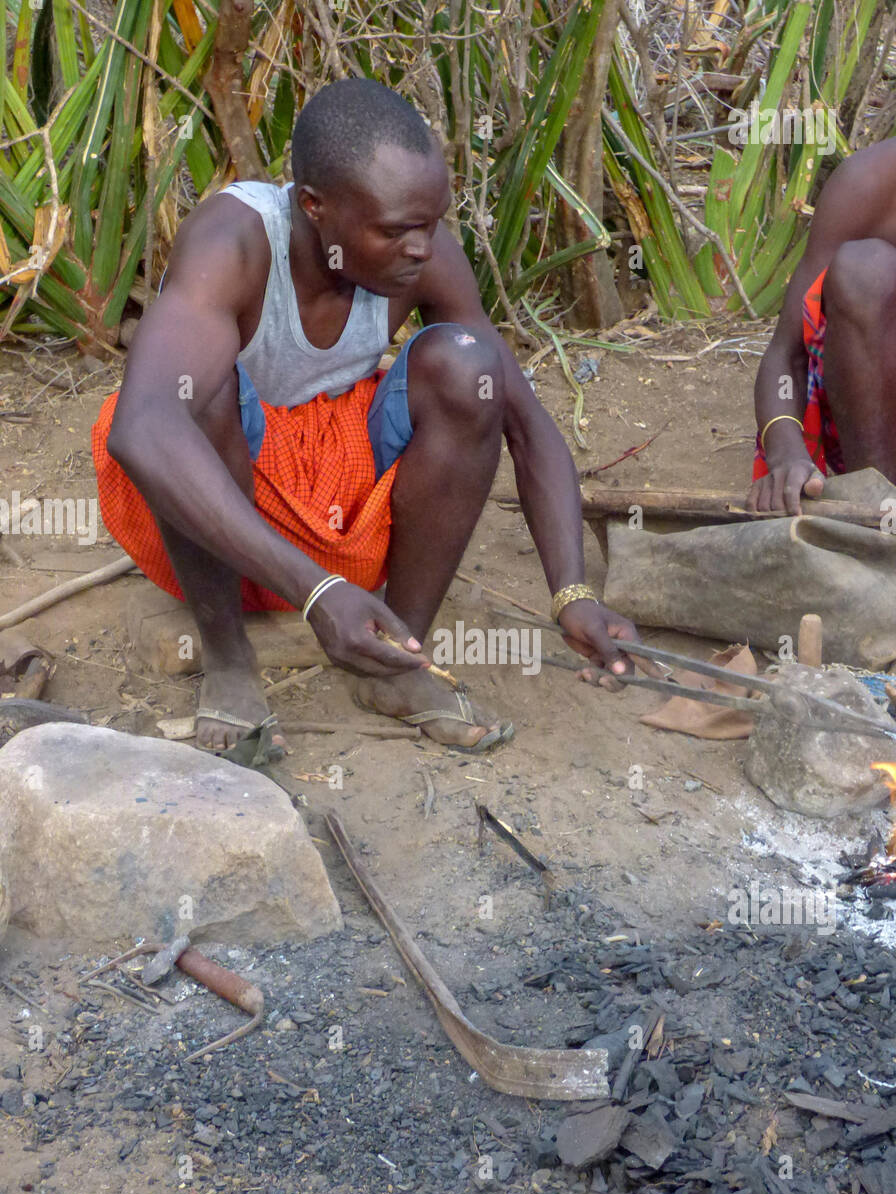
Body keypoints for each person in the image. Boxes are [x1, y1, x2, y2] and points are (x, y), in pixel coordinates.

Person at [93, 78, 639, 755]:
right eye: (395, 230)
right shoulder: (233, 242)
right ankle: (230, 662)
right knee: (193, 393)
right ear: (316, 206)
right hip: (225, 514)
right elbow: (142, 428)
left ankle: (395, 655)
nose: (422, 247)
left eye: (432, 222)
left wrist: (572, 593)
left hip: (339, 503)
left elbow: (524, 424)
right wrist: (317, 591)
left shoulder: (420, 252)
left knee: (471, 368)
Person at [750, 0, 896, 517]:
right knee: (863, 268)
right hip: (884, 452)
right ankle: (876, 520)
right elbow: (786, 354)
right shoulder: (876, 185)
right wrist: (784, 447)